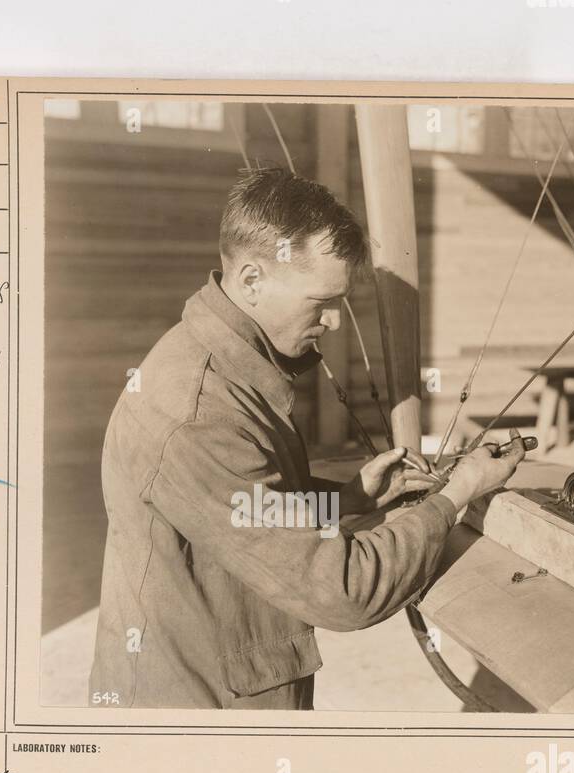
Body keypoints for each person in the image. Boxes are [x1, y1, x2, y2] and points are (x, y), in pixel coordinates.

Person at [89, 167, 524, 709]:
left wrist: (353, 497)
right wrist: (454, 496)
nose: (334, 322)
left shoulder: (228, 371)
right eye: (320, 301)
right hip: (196, 723)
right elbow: (342, 591)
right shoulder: (200, 414)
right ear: (251, 281)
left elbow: (252, 513)